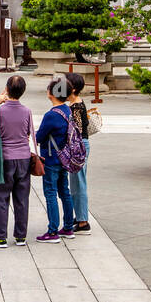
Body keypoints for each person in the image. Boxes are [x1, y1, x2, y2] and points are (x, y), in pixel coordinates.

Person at [0, 74, 33, 247]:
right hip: (24, 157)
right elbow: (29, 132)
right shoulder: (27, 111)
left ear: (7, 89)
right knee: (21, 198)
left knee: (1, 197)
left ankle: (0, 236)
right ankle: (20, 236)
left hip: (4, 158)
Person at [34, 76, 77, 243]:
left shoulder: (51, 115)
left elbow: (39, 136)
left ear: (52, 93)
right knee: (64, 191)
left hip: (51, 158)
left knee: (50, 192)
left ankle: (52, 231)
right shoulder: (67, 110)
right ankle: (67, 227)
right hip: (64, 158)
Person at [66, 72, 92, 233]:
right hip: (81, 145)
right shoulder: (76, 103)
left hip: (79, 146)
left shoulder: (75, 106)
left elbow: (78, 130)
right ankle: (79, 216)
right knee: (75, 182)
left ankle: (83, 221)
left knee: (78, 182)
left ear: (73, 88)